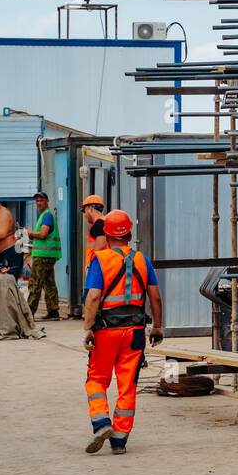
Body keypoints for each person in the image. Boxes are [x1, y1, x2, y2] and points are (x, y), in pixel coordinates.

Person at [82, 209, 163, 455]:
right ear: (129, 233)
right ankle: (119, 440)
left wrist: (88, 328)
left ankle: (101, 423)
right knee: (127, 385)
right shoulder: (142, 259)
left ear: (106, 234)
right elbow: (155, 297)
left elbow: (93, 297)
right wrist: (157, 326)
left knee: (96, 380)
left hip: (106, 330)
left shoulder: (101, 260)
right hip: (135, 331)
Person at [25, 191, 61, 319]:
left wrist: (30, 233)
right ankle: (53, 311)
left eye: (41, 200)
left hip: (43, 255)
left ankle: (29, 314)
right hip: (49, 255)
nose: (39, 203)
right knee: (48, 282)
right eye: (37, 201)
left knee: (35, 283)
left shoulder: (46, 216)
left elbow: (43, 234)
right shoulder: (46, 215)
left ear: (47, 201)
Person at [81, 195, 107, 272]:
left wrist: (91, 264)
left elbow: (101, 245)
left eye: (84, 211)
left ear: (90, 209)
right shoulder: (104, 221)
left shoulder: (99, 224)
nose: (85, 215)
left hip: (97, 266)